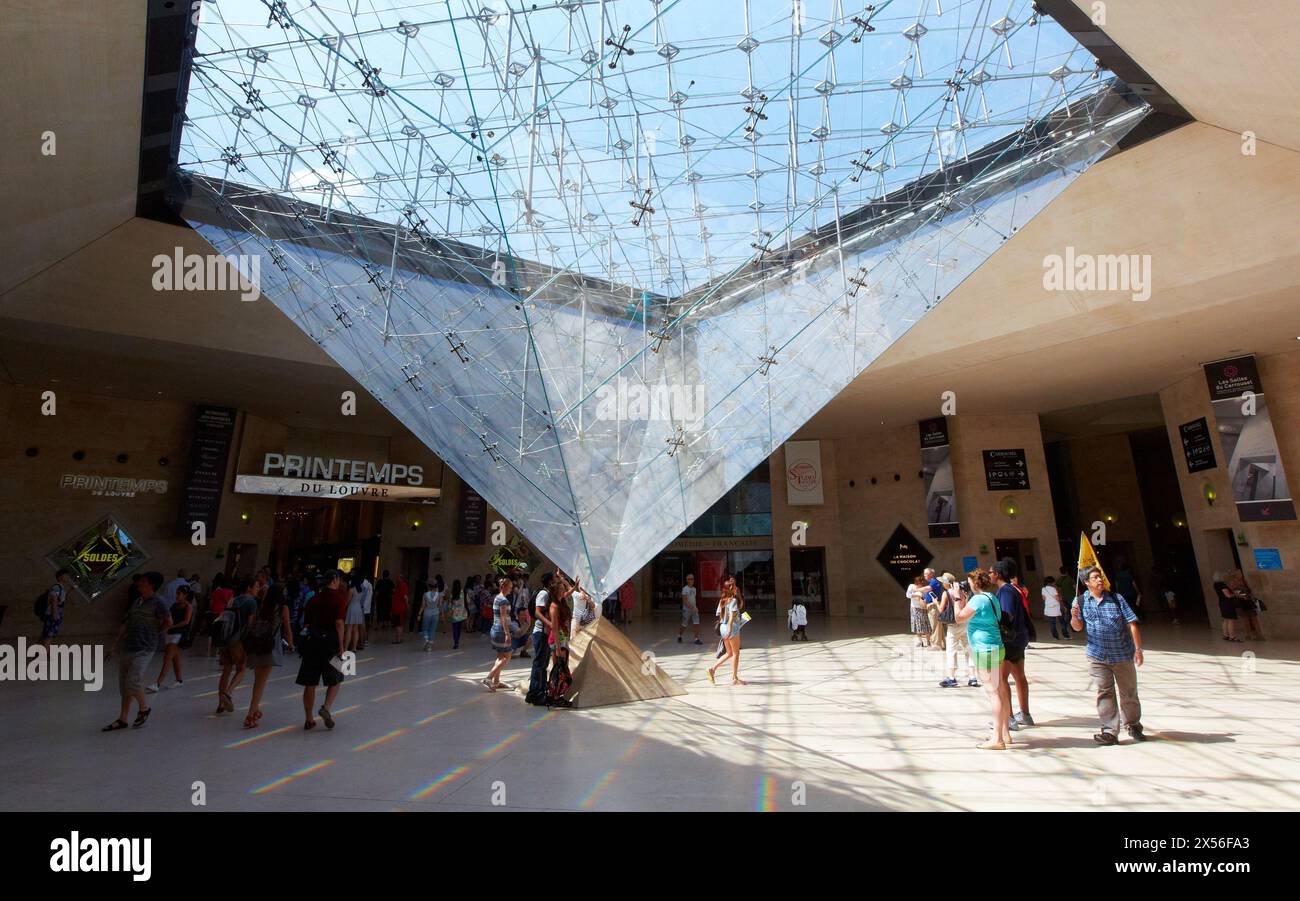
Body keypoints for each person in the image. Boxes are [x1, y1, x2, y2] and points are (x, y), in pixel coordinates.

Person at [1071, 566, 1145, 745]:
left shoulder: (1116, 598)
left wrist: (1138, 649)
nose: (1099, 580)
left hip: (1121, 654)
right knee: (1105, 692)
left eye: (1100, 577)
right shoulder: (1080, 601)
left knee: (1129, 692)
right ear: (1086, 582)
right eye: (1095, 578)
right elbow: (1078, 627)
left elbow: (1132, 623)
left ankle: (1133, 724)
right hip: (1097, 656)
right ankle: (1109, 731)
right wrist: (1074, 617)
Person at [103, 571, 172, 731]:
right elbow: (126, 624)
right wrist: (114, 645)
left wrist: (156, 632)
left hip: (145, 648)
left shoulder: (158, 602)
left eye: (143, 581)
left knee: (133, 681)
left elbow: (169, 621)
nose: (139, 584)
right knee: (124, 687)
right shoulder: (137, 601)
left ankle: (144, 709)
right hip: (128, 647)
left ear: (152, 585)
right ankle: (123, 719)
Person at [954, 569, 1010, 749]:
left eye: (969, 582)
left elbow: (959, 618)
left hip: (984, 650)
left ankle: (997, 738)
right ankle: (1005, 733)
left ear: (975, 583)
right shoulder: (992, 598)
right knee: (1000, 689)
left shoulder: (977, 599)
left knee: (993, 693)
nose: (967, 584)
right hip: (997, 646)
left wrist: (957, 599)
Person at [297, 570, 348, 730]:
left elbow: (306, 623)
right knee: (337, 677)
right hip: (331, 643)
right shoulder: (339, 599)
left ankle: (308, 718)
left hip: (313, 643)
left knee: (310, 683)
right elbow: (339, 623)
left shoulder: (313, 599)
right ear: (334, 580)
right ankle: (326, 708)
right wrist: (342, 646)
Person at [243, 583, 293, 729]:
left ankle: (255, 709)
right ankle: (250, 715)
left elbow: (251, 625)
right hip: (269, 647)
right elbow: (287, 629)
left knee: (258, 681)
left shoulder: (262, 607)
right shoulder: (283, 608)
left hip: (256, 645)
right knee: (261, 683)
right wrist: (291, 644)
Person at [994, 558, 1032, 730]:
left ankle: (1009, 718)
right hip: (1019, 638)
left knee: (1002, 679)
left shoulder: (1005, 592)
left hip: (1010, 641)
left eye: (991, 572)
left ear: (997, 574)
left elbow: (1007, 615)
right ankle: (1025, 714)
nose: (989, 575)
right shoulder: (1014, 589)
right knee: (1019, 676)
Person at [215, 576, 258, 715]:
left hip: (225, 638)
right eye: (256, 586)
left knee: (226, 671)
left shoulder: (233, 600)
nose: (257, 589)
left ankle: (220, 703)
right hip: (239, 640)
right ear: (249, 588)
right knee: (241, 668)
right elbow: (251, 624)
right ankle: (227, 693)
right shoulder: (251, 602)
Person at [147, 584, 193, 692]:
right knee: (175, 658)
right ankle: (179, 680)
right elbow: (168, 618)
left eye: (179, 593)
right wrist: (162, 628)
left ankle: (157, 683)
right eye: (176, 593)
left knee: (167, 658)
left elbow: (186, 621)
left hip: (179, 634)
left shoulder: (188, 606)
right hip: (170, 633)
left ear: (185, 595)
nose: (176, 595)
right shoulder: (174, 605)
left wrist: (172, 626)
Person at [936, 573, 977, 687]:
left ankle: (951, 677)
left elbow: (941, 610)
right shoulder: (963, 592)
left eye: (943, 582)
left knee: (951, 651)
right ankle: (972, 677)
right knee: (969, 650)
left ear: (946, 583)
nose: (942, 584)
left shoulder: (946, 593)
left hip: (953, 626)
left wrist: (935, 602)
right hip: (965, 623)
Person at [707, 576, 747, 686]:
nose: (736, 588)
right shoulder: (733, 601)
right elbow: (731, 619)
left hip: (722, 628)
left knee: (729, 653)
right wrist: (730, 630)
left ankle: (712, 669)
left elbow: (720, 617)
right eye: (734, 587)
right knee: (736, 653)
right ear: (730, 589)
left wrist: (726, 630)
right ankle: (734, 678)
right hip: (731, 628)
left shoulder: (722, 600)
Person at [525, 573, 554, 705]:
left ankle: (539, 692)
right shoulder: (544, 594)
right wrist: (549, 623)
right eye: (555, 580)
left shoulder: (549, 593)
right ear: (549, 582)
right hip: (541, 632)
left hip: (545, 632)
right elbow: (537, 612)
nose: (556, 582)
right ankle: (535, 693)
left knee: (543, 664)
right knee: (539, 664)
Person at [483, 577, 514, 691]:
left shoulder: (497, 598)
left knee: (501, 656)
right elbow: (503, 618)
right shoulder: (503, 601)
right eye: (510, 587)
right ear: (504, 587)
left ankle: (496, 681)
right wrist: (507, 634)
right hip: (501, 631)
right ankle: (489, 678)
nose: (511, 589)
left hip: (495, 629)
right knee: (507, 656)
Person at [39, 569, 74, 649]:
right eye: (66, 575)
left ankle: (41, 652)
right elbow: (54, 600)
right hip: (53, 614)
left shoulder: (60, 587)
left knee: (47, 633)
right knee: (49, 635)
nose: (68, 577)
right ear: (60, 576)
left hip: (56, 613)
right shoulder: (57, 587)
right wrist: (55, 614)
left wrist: (70, 591)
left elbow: (61, 600)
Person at [1230, 569, 1266, 640]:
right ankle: (1248, 635)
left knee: (1254, 618)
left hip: (1249, 601)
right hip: (1241, 602)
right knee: (1245, 619)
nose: (1241, 574)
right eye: (1239, 573)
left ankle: (1260, 635)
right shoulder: (1233, 582)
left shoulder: (1244, 581)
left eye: (1240, 573)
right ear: (1235, 575)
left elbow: (1250, 590)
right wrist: (1243, 595)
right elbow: (1235, 592)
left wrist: (1250, 596)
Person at [206, 574, 233, 657]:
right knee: (221, 633)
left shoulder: (216, 591)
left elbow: (211, 604)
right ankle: (217, 652)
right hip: (223, 614)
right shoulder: (230, 592)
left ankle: (209, 651)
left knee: (211, 633)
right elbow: (229, 605)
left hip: (213, 613)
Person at [1211, 571, 1241, 642]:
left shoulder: (1216, 584)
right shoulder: (1222, 585)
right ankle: (1232, 637)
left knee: (1225, 620)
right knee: (1230, 620)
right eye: (1224, 576)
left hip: (1222, 603)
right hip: (1227, 604)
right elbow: (1228, 595)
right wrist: (1236, 594)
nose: (1225, 577)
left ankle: (1225, 635)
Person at [419, 575, 444, 651]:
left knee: (425, 628)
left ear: (429, 586)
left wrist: (419, 614)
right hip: (435, 613)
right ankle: (429, 646)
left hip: (427, 613)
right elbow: (440, 605)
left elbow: (423, 605)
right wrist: (442, 614)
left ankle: (426, 639)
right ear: (436, 586)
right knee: (433, 629)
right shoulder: (439, 595)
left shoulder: (425, 594)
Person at [924, 567, 946, 651]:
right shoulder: (931, 582)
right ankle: (942, 644)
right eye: (924, 573)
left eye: (926, 573)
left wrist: (916, 589)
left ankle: (936, 645)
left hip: (934, 606)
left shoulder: (934, 581)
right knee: (938, 626)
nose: (924, 575)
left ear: (932, 574)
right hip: (932, 606)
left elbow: (927, 589)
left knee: (935, 626)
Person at [678, 573, 702, 644]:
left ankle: (696, 639)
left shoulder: (694, 589)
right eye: (690, 579)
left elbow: (693, 599)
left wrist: (695, 607)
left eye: (692, 579)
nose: (692, 580)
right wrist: (692, 607)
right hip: (687, 610)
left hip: (694, 609)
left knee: (696, 623)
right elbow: (685, 601)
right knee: (684, 624)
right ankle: (679, 635)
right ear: (687, 580)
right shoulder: (684, 589)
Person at [344, 573, 365, 653]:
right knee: (356, 629)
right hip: (358, 608)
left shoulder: (351, 589)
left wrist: (344, 607)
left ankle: (346, 648)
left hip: (352, 608)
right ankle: (354, 647)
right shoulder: (361, 589)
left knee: (349, 628)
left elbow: (348, 601)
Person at [908, 575, 930, 648]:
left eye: (922, 582)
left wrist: (923, 598)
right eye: (920, 582)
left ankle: (929, 642)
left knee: (926, 625)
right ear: (917, 582)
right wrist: (916, 596)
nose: (922, 583)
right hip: (914, 608)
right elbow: (908, 595)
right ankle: (920, 642)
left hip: (923, 608)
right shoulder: (911, 586)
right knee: (917, 625)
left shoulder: (924, 588)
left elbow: (927, 596)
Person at [356, 572, 373, 649]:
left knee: (363, 625)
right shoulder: (368, 585)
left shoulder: (365, 585)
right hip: (364, 607)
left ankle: (363, 641)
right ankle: (363, 640)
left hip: (362, 607)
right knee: (363, 625)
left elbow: (363, 597)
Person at [391, 575, 409, 643]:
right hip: (400, 608)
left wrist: (407, 605)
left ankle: (398, 639)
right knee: (400, 624)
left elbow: (405, 597)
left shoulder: (402, 585)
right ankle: (400, 638)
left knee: (398, 624)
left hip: (398, 609)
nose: (396, 579)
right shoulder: (400, 586)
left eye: (397, 577)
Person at [448, 579, 466, 649]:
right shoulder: (462, 592)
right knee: (459, 628)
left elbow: (450, 603)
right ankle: (457, 640)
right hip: (461, 612)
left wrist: (450, 609)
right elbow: (466, 601)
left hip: (454, 612)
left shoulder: (452, 593)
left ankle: (456, 642)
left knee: (455, 628)